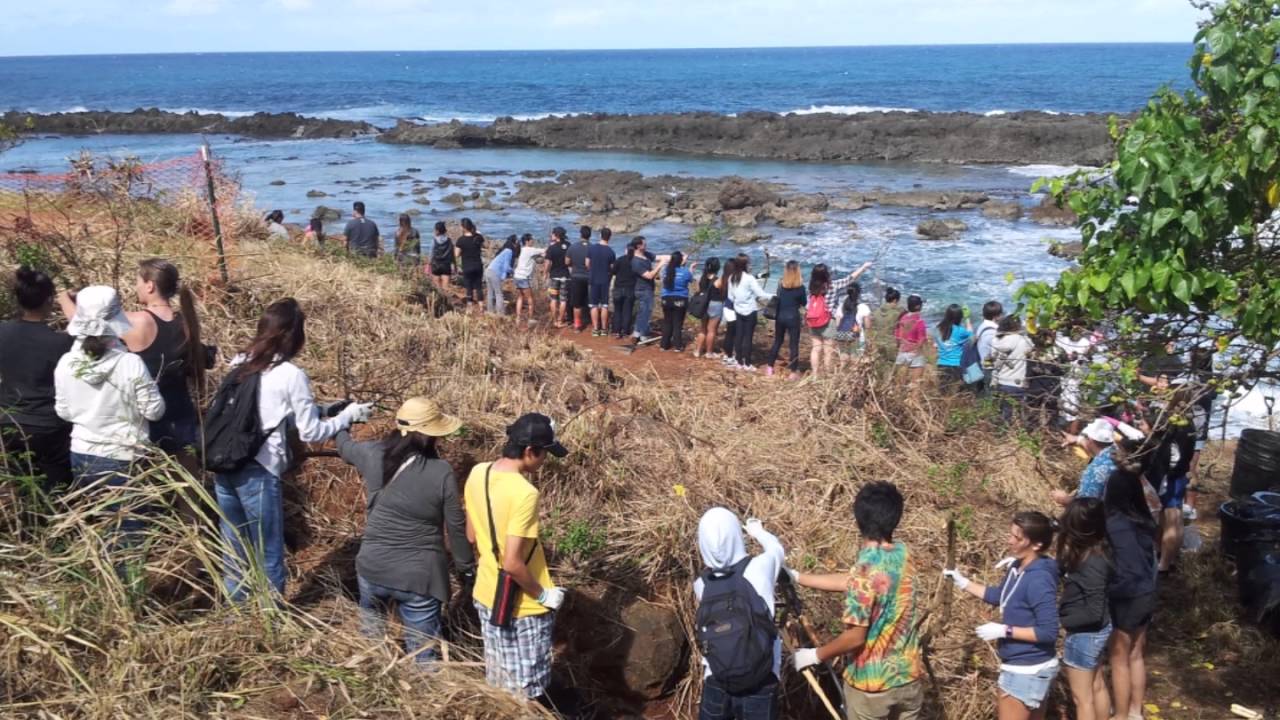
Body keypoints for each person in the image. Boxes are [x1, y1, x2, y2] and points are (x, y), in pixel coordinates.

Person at [216, 299, 372, 601]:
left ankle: (237, 612)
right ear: (294, 336)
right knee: (269, 550)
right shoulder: (291, 375)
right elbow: (311, 433)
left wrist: (322, 409)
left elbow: (264, 412)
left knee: (234, 547)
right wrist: (346, 417)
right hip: (259, 472)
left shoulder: (241, 362)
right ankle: (270, 614)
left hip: (225, 465)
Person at [335, 397, 475, 664]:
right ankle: (425, 684)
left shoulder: (374, 454)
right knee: (424, 656)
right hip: (418, 579)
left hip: (372, 568)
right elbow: (455, 526)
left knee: (371, 647)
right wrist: (466, 568)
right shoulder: (441, 472)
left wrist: (343, 418)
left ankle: (372, 679)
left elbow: (344, 446)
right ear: (431, 435)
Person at [790, 482, 924, 720]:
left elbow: (855, 637)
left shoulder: (864, 571)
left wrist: (815, 655)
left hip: (872, 688)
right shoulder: (903, 555)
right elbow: (858, 582)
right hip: (908, 680)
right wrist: (798, 577)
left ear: (858, 519)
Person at [463, 413, 569, 703]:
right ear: (529, 451)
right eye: (544, 453)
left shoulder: (479, 473)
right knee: (527, 687)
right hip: (522, 605)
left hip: (486, 593)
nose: (545, 460)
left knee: (499, 677)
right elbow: (511, 562)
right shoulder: (525, 493)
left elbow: (471, 535)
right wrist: (544, 595)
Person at [54, 286, 165, 552]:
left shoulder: (66, 363)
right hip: (124, 456)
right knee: (130, 535)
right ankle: (128, 577)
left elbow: (64, 412)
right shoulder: (130, 363)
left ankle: (104, 575)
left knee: (100, 529)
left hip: (82, 454)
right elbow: (154, 411)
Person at [944, 512, 1060, 720]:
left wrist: (1004, 630)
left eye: (1018, 538)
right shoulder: (1018, 566)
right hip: (1025, 665)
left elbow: (1048, 632)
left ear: (1036, 545)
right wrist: (964, 582)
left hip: (1027, 669)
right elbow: (1001, 596)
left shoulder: (1039, 580)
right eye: (1010, 534)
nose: (1010, 541)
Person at [694, 508, 785, 720]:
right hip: (761, 681)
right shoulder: (759, 568)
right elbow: (777, 549)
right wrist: (757, 531)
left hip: (717, 677)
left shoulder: (701, 584)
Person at [123, 259, 208, 460]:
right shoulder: (186, 320)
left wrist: (64, 297)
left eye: (138, 282)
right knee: (185, 470)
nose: (136, 287)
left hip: (149, 416)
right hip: (182, 414)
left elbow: (85, 322)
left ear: (150, 286)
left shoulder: (137, 321)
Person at [0, 268, 73, 493]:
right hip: (49, 425)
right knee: (57, 488)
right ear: (50, 300)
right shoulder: (61, 343)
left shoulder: (3, 332)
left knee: (19, 486)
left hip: (10, 422)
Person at [1104, 468, 1158, 720]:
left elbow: (1121, 565)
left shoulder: (1113, 524)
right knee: (1136, 654)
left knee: (1118, 657)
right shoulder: (1144, 521)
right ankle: (1135, 711)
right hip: (1146, 590)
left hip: (1126, 594)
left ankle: (1121, 714)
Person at [1056, 498, 1113, 720]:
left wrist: (1062, 621)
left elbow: (1093, 612)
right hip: (1097, 631)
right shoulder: (1097, 550)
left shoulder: (1092, 565)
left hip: (1085, 635)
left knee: (1082, 699)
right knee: (1097, 685)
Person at [1054, 418, 1144, 506]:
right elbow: (1092, 445)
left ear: (1090, 440)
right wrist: (1078, 439)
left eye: (1085, 437)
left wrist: (1065, 499)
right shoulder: (1116, 451)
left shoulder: (1096, 471)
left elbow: (1086, 507)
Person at [726, 255, 771, 371]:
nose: (750, 265)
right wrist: (774, 296)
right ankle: (747, 364)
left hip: (738, 310)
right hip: (750, 311)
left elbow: (730, 296)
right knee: (748, 338)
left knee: (739, 336)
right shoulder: (749, 278)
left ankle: (739, 362)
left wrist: (739, 302)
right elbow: (761, 294)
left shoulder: (732, 277)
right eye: (749, 263)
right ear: (745, 265)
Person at [764, 261, 806, 378]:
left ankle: (769, 367)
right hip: (793, 317)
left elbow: (779, 298)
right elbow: (804, 302)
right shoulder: (800, 288)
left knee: (777, 341)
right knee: (793, 344)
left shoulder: (781, 285)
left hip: (780, 316)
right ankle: (793, 372)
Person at [990, 315, 1034, 423]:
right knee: (1019, 418)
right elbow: (1034, 347)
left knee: (1002, 416)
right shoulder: (1023, 341)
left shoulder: (995, 340)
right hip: (1016, 383)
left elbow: (993, 361)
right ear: (1017, 326)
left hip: (999, 382)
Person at [631, 237, 668, 347]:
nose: (646, 245)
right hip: (642, 289)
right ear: (638, 246)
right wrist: (660, 265)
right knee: (645, 312)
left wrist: (677, 257)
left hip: (648, 288)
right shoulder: (636, 262)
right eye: (644, 244)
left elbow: (659, 257)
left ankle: (637, 333)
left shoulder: (645, 254)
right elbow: (649, 276)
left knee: (643, 311)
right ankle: (642, 335)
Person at [659, 251, 694, 352]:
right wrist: (691, 269)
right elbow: (690, 280)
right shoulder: (685, 271)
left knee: (667, 321)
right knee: (677, 323)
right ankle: (678, 346)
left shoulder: (665, 270)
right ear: (681, 261)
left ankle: (664, 345)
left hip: (666, 298)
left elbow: (662, 279)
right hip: (680, 298)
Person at [934, 304, 974, 389]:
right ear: (960, 317)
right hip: (956, 365)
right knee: (958, 391)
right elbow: (972, 338)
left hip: (941, 364)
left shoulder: (938, 329)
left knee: (944, 391)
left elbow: (936, 345)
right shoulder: (960, 331)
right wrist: (967, 319)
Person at [587, 227, 616, 337]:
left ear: (600, 235)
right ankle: (604, 329)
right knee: (604, 305)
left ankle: (595, 329)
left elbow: (587, 263)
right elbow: (612, 268)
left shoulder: (592, 249)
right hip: (605, 280)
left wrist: (593, 270)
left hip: (594, 279)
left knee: (593, 305)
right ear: (610, 237)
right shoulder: (611, 252)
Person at [832, 282, 871, 364]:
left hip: (842, 336)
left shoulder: (841, 306)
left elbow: (837, 325)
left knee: (843, 359)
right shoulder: (863, 307)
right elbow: (868, 326)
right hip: (856, 337)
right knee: (855, 360)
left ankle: (842, 371)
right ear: (859, 293)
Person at [893, 295, 928, 383]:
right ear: (918, 306)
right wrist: (917, 351)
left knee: (899, 383)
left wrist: (899, 348)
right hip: (915, 353)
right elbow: (921, 339)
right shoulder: (919, 321)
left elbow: (897, 337)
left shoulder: (902, 319)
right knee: (915, 384)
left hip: (902, 352)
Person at [611, 238, 641, 339]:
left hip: (618, 287)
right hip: (630, 288)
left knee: (617, 310)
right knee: (627, 310)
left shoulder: (620, 260)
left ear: (626, 250)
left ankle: (616, 331)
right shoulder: (636, 262)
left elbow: (613, 271)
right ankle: (625, 331)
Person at [513, 233, 545, 325]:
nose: (533, 241)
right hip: (524, 277)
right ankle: (530, 319)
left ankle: (518, 318)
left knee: (520, 297)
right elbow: (545, 250)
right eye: (531, 239)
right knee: (530, 298)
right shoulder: (530, 250)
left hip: (517, 276)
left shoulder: (522, 249)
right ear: (527, 241)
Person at [566, 226, 593, 332]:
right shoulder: (593, 248)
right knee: (588, 301)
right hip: (589, 277)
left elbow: (567, 262)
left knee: (577, 303)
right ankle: (587, 320)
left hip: (576, 276)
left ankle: (577, 324)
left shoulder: (573, 247)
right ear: (590, 235)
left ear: (580, 234)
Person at [544, 227, 571, 328]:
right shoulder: (569, 246)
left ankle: (554, 321)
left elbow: (547, 262)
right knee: (563, 300)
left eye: (553, 234)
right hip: (565, 276)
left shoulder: (552, 247)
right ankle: (560, 321)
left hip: (554, 276)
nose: (552, 235)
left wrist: (545, 273)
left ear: (557, 235)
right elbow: (570, 261)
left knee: (553, 298)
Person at [455, 218, 486, 307]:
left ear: (463, 227)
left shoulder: (461, 240)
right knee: (479, 287)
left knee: (469, 288)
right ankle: (481, 307)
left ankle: (470, 307)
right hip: (478, 265)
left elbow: (456, 254)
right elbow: (483, 246)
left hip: (467, 266)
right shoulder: (478, 237)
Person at [484, 235, 516, 316]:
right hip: (495, 273)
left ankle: (490, 312)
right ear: (514, 243)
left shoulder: (503, 251)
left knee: (490, 293)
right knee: (498, 294)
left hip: (488, 271)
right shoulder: (509, 251)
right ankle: (500, 314)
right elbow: (506, 267)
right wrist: (513, 271)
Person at [870, 288, 902, 368]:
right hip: (890, 344)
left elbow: (871, 327)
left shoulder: (875, 312)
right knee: (892, 368)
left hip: (877, 343)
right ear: (895, 300)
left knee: (879, 367)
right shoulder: (898, 313)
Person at [976, 301, 1005, 391]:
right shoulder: (992, 332)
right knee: (991, 393)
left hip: (983, 365)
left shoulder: (982, 326)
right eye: (1001, 314)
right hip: (990, 368)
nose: (1003, 316)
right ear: (996, 316)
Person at [428, 221, 454, 291]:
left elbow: (431, 254)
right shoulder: (449, 241)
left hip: (436, 264)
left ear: (437, 231)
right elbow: (452, 254)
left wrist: (429, 264)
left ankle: (441, 296)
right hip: (446, 265)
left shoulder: (434, 241)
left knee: (437, 287)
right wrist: (454, 265)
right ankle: (446, 296)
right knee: (446, 287)